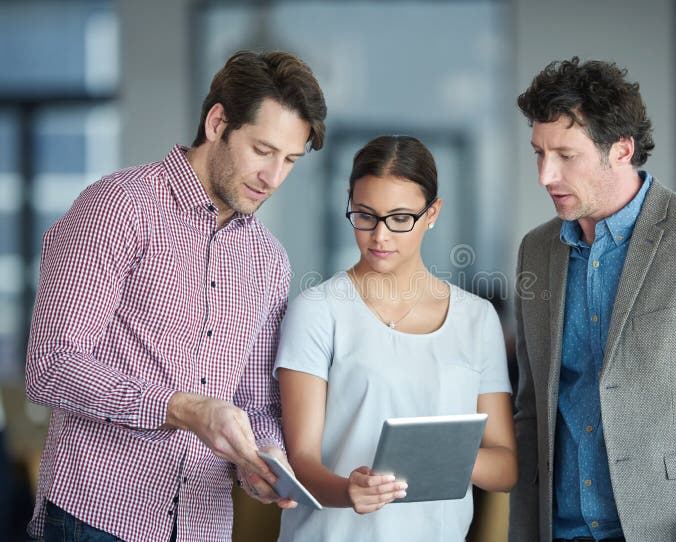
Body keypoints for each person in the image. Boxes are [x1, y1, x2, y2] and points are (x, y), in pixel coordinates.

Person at [25, 50, 327, 541]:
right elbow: (51, 366)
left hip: (202, 526)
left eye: (290, 160)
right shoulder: (118, 208)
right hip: (96, 516)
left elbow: (254, 402)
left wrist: (264, 461)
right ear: (217, 122)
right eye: (263, 150)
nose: (273, 178)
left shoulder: (270, 261)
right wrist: (183, 408)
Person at [509, 57, 676, 542]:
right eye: (538, 153)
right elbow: (532, 415)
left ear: (622, 149)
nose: (545, 175)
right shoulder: (536, 250)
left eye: (566, 156)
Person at [274, 135, 517, 541]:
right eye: (365, 215)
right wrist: (348, 491)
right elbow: (301, 460)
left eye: (400, 218)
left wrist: (442, 454)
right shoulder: (317, 311)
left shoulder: (477, 319)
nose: (379, 236)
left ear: (432, 213)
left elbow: (505, 468)